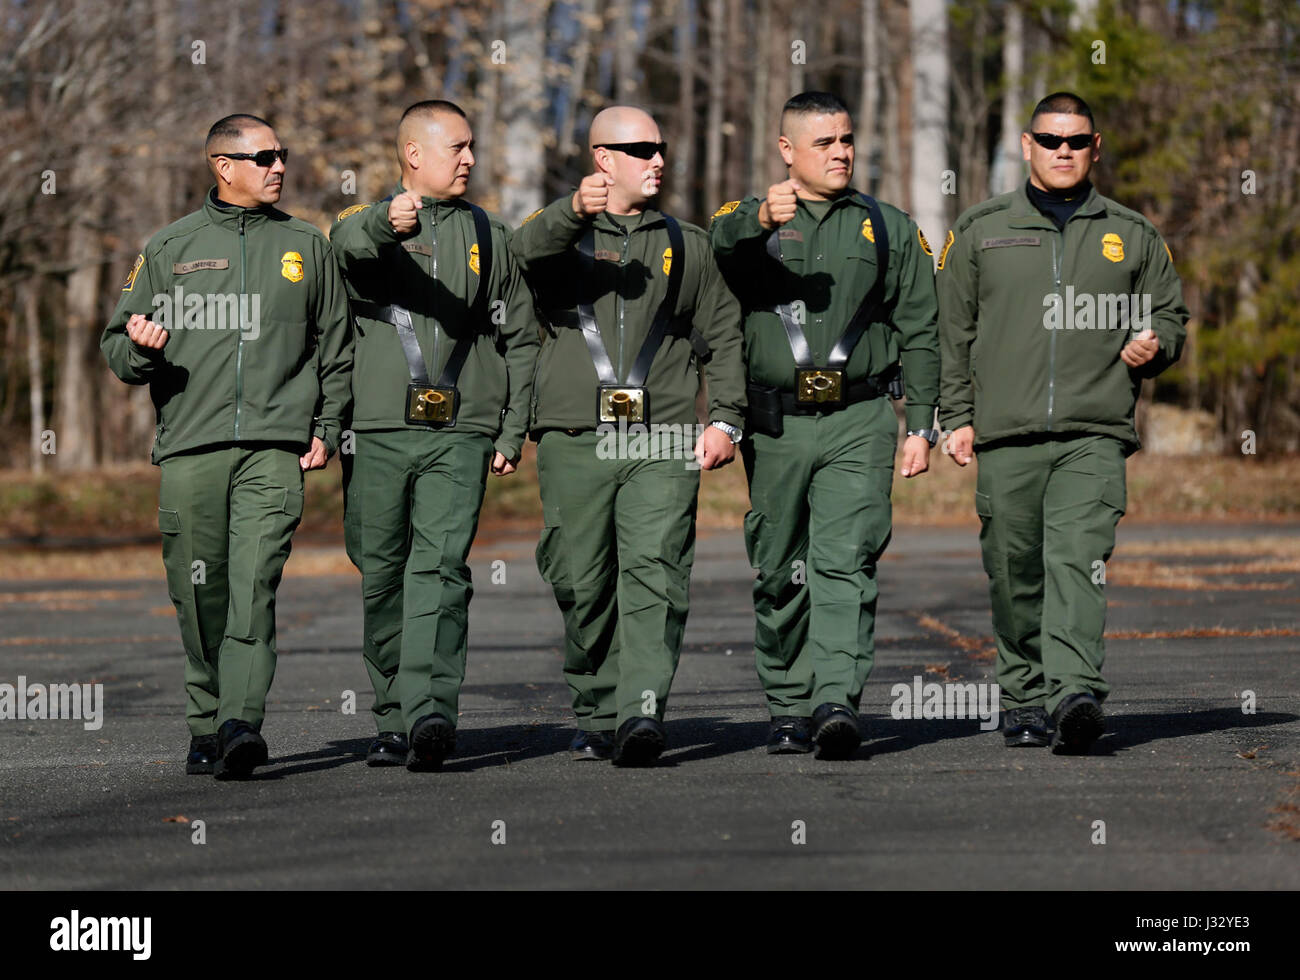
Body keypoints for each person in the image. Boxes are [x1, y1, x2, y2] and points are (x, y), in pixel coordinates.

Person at [101, 114, 351, 779]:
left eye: (283, 155)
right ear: (224, 165)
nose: (280, 167)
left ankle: (241, 720)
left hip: (274, 450)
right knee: (197, 594)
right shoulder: (170, 246)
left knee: (253, 587)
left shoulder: (307, 245)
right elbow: (116, 348)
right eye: (265, 156)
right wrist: (140, 349)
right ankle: (206, 720)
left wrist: (326, 429)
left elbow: (337, 347)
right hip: (191, 448)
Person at [937, 91, 1188, 753]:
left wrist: (1155, 342)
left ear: (1095, 147)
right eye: (1050, 140)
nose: (1064, 151)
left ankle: (1075, 692)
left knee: (1078, 562)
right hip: (1007, 435)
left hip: (1093, 433)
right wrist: (955, 417)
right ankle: (1024, 695)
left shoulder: (1131, 234)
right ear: (1027, 145)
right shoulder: (981, 229)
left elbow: (1169, 317)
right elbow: (951, 333)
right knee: (1016, 572)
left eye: (1077, 140)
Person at [511, 105, 746, 766]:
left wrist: (725, 418)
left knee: (657, 570)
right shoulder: (558, 234)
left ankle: (641, 710)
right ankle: (597, 706)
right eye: (640, 149)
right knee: (580, 576)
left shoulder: (690, 243)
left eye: (661, 147)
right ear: (602, 159)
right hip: (575, 434)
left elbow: (723, 336)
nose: (658, 160)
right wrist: (570, 212)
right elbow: (521, 257)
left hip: (662, 434)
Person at [710, 91, 940, 759]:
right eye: (824, 143)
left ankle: (835, 697)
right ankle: (787, 702)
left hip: (861, 417)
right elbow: (714, 247)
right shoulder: (744, 218)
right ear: (787, 151)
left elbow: (921, 329)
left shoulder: (889, 225)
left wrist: (921, 424)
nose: (841, 152)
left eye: (846, 139)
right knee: (783, 566)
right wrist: (758, 218)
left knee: (846, 560)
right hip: (776, 424)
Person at [329, 100, 539, 771]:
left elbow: (523, 338)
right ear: (414, 155)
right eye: (459, 147)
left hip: (460, 429)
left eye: (473, 146)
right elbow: (346, 248)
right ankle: (392, 715)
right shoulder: (366, 227)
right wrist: (383, 221)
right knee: (381, 571)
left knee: (441, 569)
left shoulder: (490, 233)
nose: (471, 159)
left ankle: (429, 714)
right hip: (378, 431)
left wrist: (511, 428)